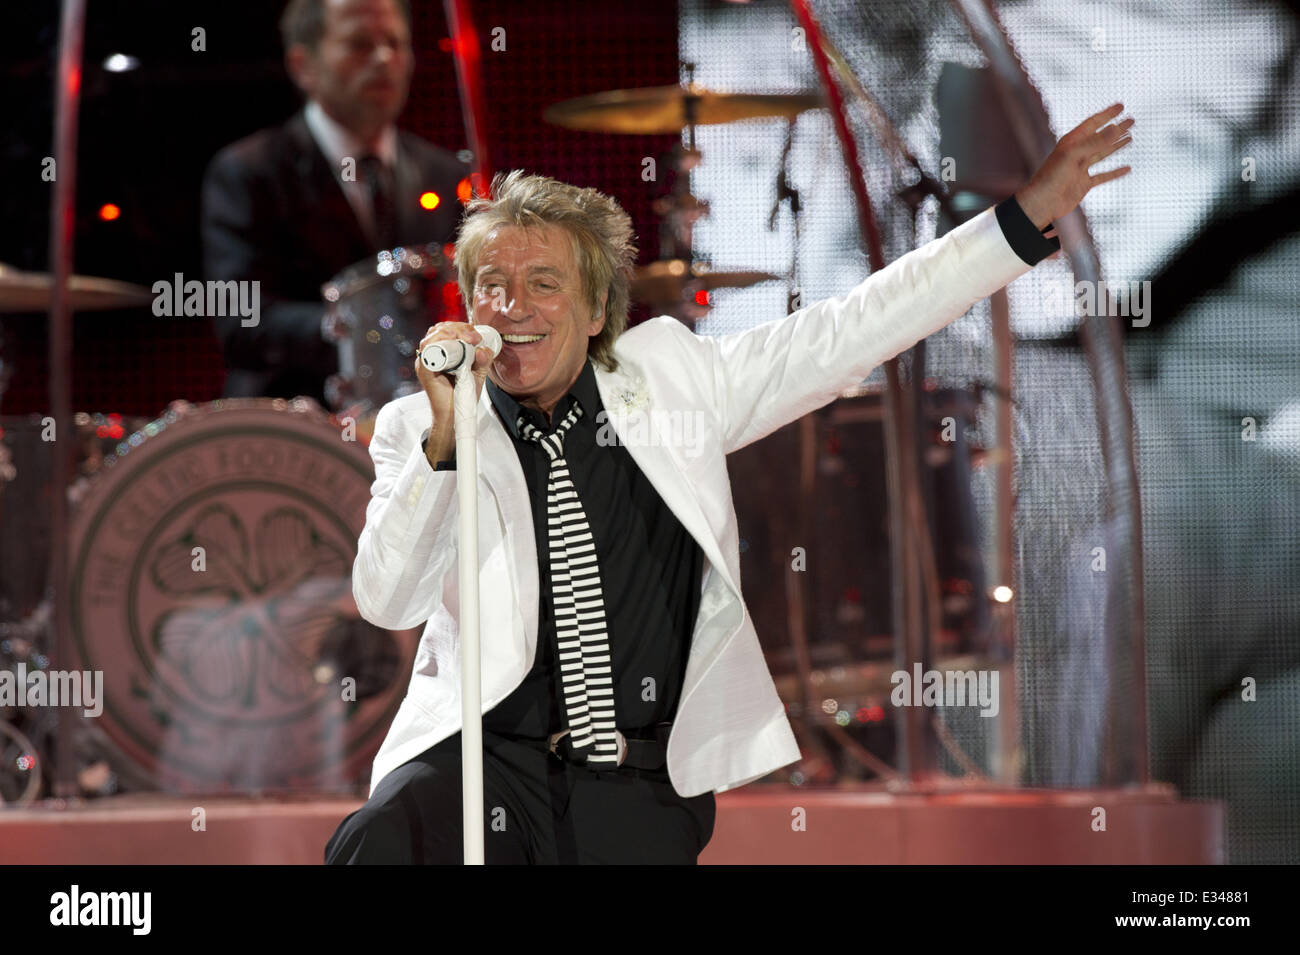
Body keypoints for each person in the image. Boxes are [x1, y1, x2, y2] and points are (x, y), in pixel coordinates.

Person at [325, 104, 1134, 864]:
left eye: (544, 283)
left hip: (636, 779)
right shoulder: (420, 426)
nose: (514, 307)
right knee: (381, 839)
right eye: (491, 286)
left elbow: (852, 328)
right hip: (485, 761)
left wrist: (1021, 221)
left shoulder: (674, 378)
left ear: (599, 308)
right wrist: (446, 443)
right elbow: (389, 601)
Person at [201, 0, 466, 407]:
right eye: (360, 44)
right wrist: (370, 332)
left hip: (423, 426)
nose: (384, 58)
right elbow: (240, 323)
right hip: (293, 428)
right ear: (303, 65)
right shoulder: (249, 172)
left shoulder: (445, 174)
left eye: (395, 43)